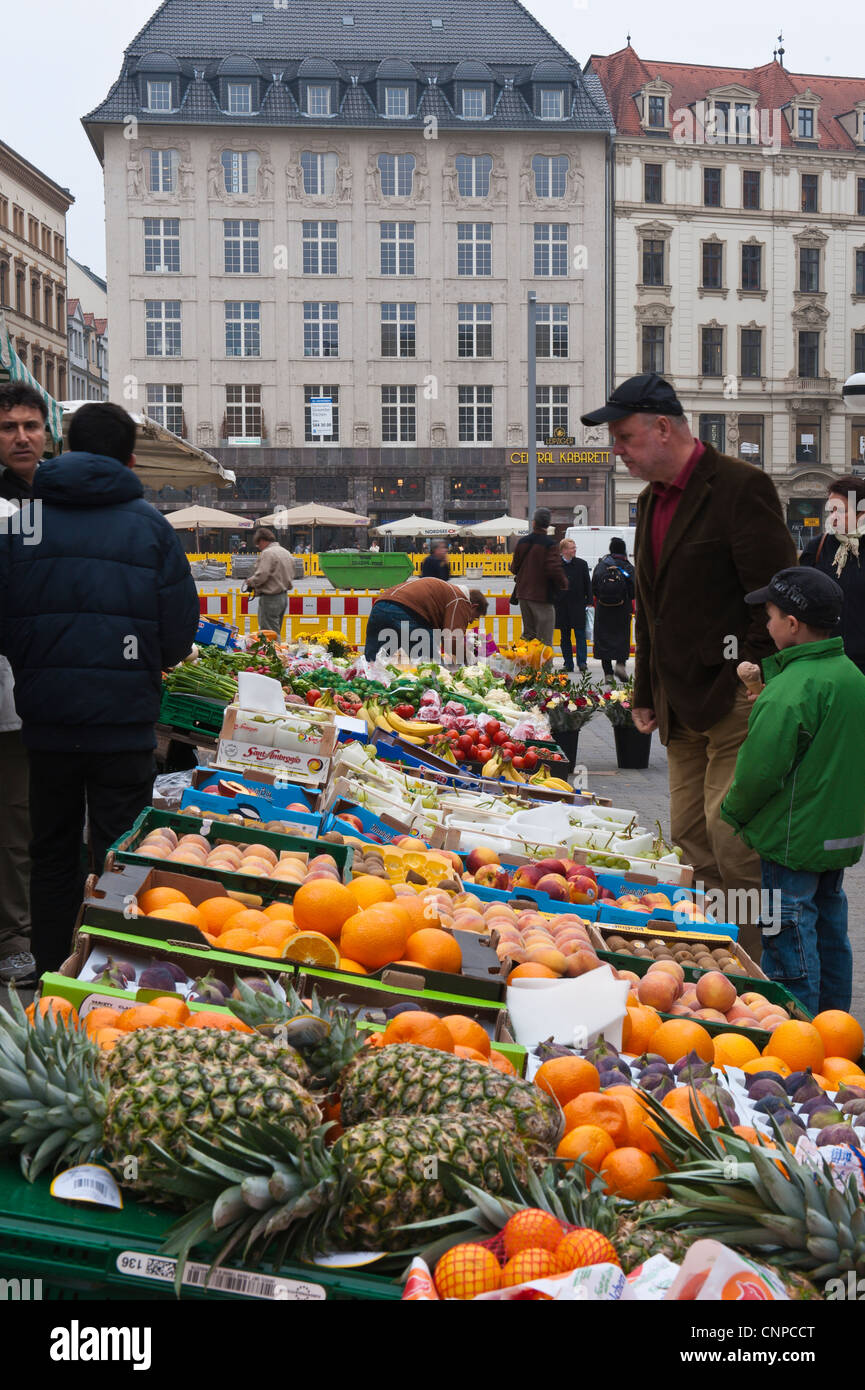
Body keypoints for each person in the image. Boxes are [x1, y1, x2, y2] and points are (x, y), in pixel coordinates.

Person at [581, 372, 796, 958]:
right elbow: (651, 609)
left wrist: (746, 672)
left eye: (624, 437)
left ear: (663, 428)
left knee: (735, 845)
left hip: (734, 698)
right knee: (691, 840)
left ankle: (756, 965)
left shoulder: (739, 487)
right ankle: (717, 954)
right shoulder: (650, 501)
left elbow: (775, 594)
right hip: (679, 703)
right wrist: (644, 689)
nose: (617, 451)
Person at [0, 402, 200, 975]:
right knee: (118, 851)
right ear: (131, 458)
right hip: (124, 723)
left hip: (48, 722)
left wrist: (39, 663)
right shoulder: (152, 526)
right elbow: (178, 635)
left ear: (62, 444)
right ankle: (110, 971)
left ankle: (48, 970)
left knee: (52, 850)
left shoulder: (23, 522)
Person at [721, 568, 865, 1013]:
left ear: (793, 624)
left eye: (770, 615)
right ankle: (836, 1025)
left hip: (790, 838)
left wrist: (733, 811)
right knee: (830, 930)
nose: (766, 625)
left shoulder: (791, 690)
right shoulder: (851, 676)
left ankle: (796, 1023)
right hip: (836, 833)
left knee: (788, 934)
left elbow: (761, 770)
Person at [800, 474, 865, 675]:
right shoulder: (817, 547)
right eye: (831, 510)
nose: (833, 516)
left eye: (842, 510)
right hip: (823, 662)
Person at [364, 576, 487, 664]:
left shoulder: (448, 591)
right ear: (473, 606)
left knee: (372, 664)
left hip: (379, 607)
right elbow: (452, 641)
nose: (470, 621)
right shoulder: (461, 599)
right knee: (430, 668)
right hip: (406, 612)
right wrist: (472, 663)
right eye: (474, 617)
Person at [510, 507, 567, 645]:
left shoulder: (522, 542)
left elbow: (514, 568)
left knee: (528, 634)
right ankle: (543, 666)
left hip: (523, 594)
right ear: (547, 525)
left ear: (534, 523)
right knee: (544, 638)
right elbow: (553, 569)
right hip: (541, 595)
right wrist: (563, 583)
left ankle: (524, 664)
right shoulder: (549, 545)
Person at [592, 537, 635, 687]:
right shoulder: (628, 568)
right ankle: (620, 665)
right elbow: (634, 590)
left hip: (603, 609)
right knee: (621, 638)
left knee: (604, 639)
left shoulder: (601, 566)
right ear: (623, 550)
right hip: (622, 610)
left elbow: (594, 588)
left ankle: (608, 673)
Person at [244, 526, 295, 637]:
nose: (259, 548)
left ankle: (274, 654)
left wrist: (251, 581)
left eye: (258, 544)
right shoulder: (285, 552)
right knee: (276, 630)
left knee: (269, 634)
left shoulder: (268, 553)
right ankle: (278, 652)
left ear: (262, 540)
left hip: (270, 598)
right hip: (283, 596)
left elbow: (262, 574)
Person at [0, 381, 46, 502]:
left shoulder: (68, 488)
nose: (22, 439)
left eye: (30, 426)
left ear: (44, 432)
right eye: (9, 427)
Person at [555, 538, 591, 674]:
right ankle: (568, 663)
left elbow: (588, 584)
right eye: (571, 548)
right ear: (564, 550)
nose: (574, 550)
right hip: (562, 606)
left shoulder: (581, 564)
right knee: (565, 636)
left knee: (580, 635)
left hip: (578, 605)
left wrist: (589, 602)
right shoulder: (556, 565)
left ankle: (582, 663)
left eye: (575, 547)